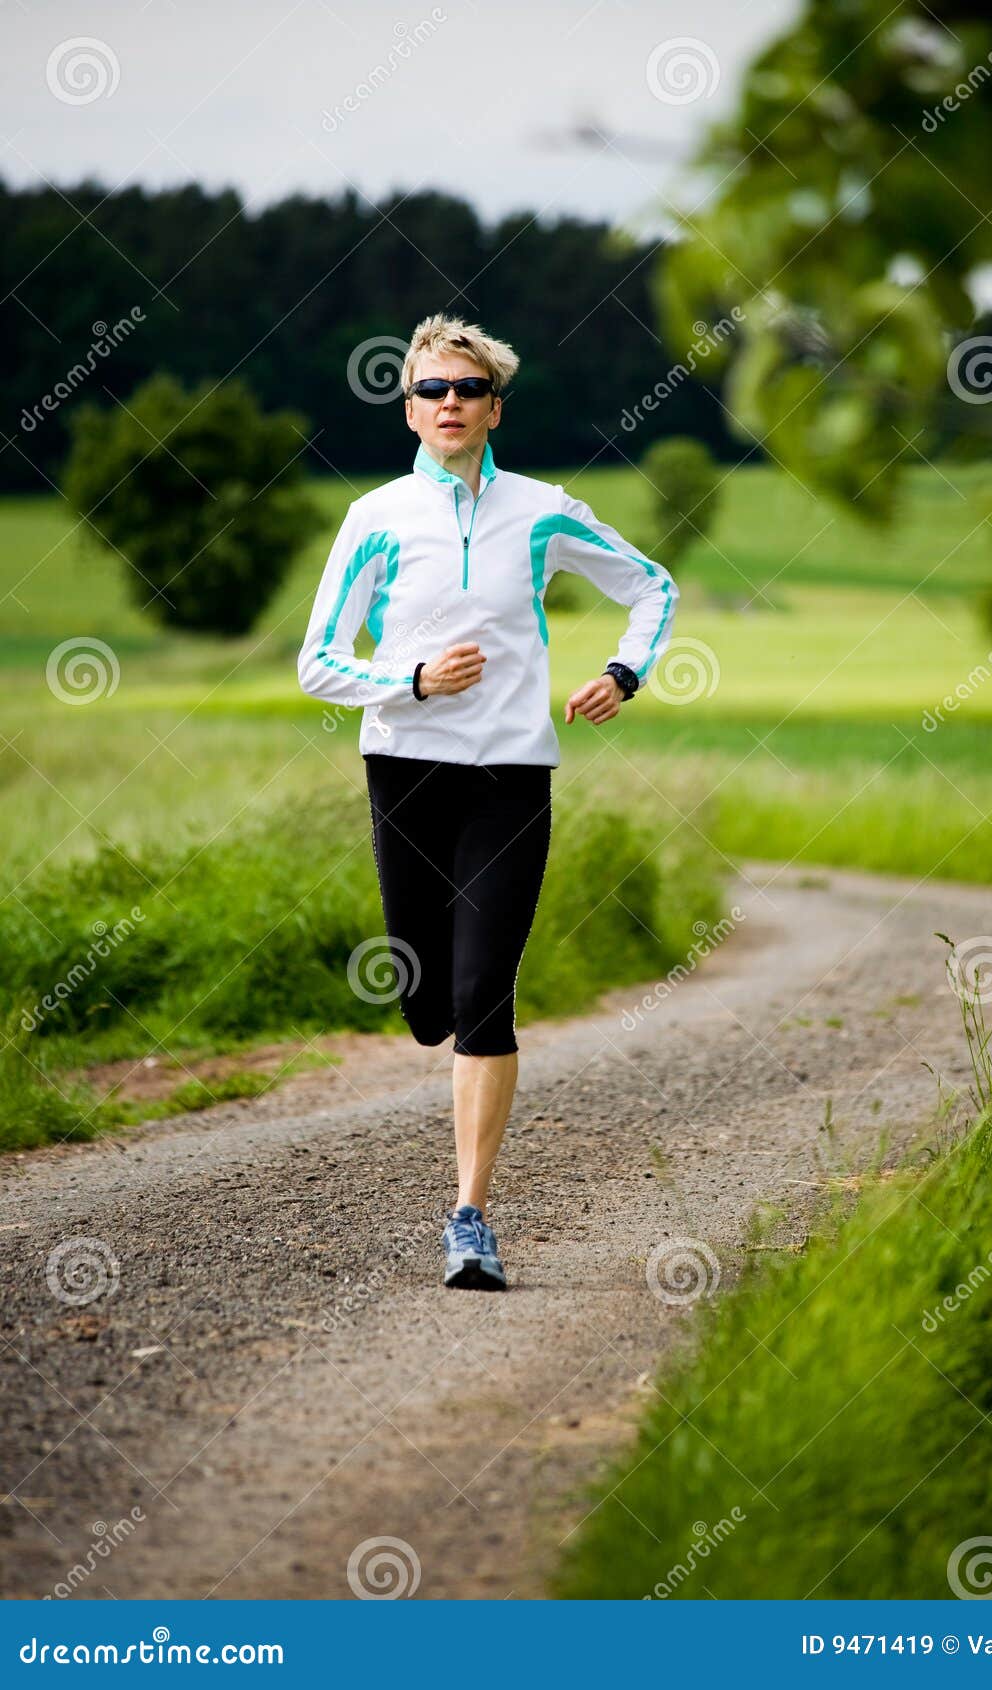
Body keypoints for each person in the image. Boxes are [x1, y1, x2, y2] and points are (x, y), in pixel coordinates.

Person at [297, 312, 679, 1290]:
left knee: (481, 997)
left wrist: (623, 673)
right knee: (426, 1001)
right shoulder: (376, 516)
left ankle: (470, 1215)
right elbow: (317, 662)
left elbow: (652, 588)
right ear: (409, 406)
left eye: (467, 390)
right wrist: (413, 680)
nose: (450, 404)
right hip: (406, 771)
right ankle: (437, 1026)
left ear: (493, 406)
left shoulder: (541, 510)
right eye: (432, 390)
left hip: (511, 776)